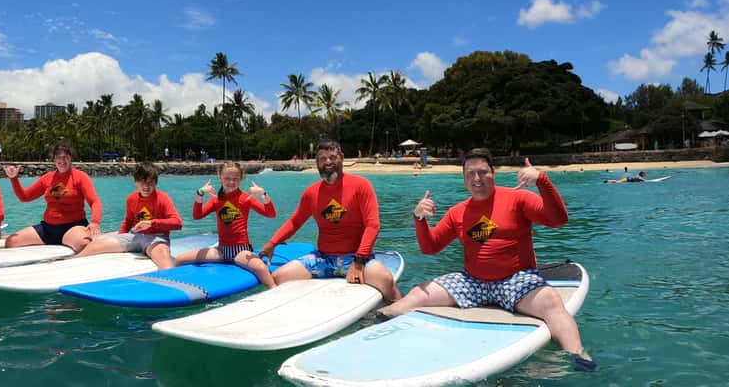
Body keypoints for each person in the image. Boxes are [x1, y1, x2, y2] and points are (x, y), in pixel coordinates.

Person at [380, 149, 595, 371]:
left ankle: (578, 356)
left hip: (515, 280)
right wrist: (419, 218)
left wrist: (541, 180)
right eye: (470, 174)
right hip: (471, 282)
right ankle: (377, 323)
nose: (476, 179)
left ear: (493, 173)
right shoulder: (458, 212)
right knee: (417, 294)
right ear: (464, 179)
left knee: (551, 303)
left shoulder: (517, 199)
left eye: (483, 172)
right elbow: (430, 247)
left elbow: (558, 219)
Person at [260, 140, 399, 299]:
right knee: (278, 277)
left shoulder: (361, 185)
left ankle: (399, 313)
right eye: (322, 158)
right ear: (317, 162)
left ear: (341, 158)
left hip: (356, 257)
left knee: (386, 280)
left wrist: (359, 261)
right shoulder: (311, 193)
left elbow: (373, 225)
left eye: (332, 157)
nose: (328, 162)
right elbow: (295, 222)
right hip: (322, 259)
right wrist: (272, 243)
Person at [175, 161, 276, 288]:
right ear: (219, 177)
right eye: (227, 178)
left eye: (235, 179)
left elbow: (271, 214)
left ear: (241, 179)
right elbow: (197, 215)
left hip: (241, 251)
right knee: (179, 259)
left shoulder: (245, 198)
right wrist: (200, 193)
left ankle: (274, 291)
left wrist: (263, 194)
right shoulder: (217, 200)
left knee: (261, 268)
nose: (231, 182)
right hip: (221, 251)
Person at [77, 162, 182, 269]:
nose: (146, 186)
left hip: (156, 239)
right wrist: (120, 236)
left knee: (164, 259)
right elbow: (128, 221)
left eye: (150, 182)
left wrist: (152, 223)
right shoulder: (131, 199)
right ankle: (73, 261)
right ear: (135, 182)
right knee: (95, 245)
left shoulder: (163, 198)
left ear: (156, 183)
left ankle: (169, 282)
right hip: (134, 236)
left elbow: (178, 223)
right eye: (142, 182)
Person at [3, 142, 102, 252]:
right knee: (11, 241)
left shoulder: (80, 177)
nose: (62, 161)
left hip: (72, 227)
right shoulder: (47, 178)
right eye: (59, 157)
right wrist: (14, 178)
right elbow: (25, 197)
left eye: (65, 157)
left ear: (70, 158)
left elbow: (94, 202)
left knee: (83, 244)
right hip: (48, 229)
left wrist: (95, 222)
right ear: (54, 159)